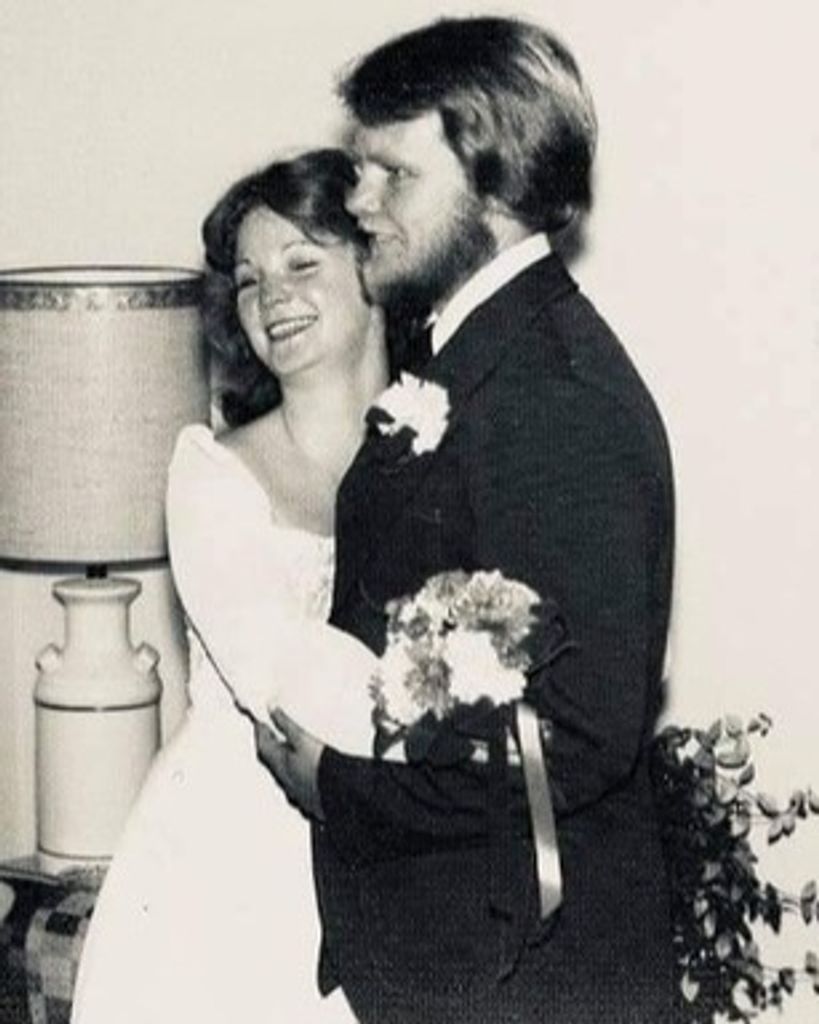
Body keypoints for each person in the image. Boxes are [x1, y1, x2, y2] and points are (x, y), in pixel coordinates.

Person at [259, 16, 678, 1024]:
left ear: (497, 187)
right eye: (360, 171)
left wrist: (339, 788)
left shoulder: (553, 396)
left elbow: (577, 739)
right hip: (468, 958)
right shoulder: (477, 357)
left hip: (529, 977)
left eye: (393, 176)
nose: (358, 203)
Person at [71, 149, 390, 1024]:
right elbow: (280, 670)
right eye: (249, 281)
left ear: (377, 267)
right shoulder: (211, 472)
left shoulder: (438, 455)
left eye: (301, 263)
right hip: (233, 849)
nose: (271, 296)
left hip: (391, 852)